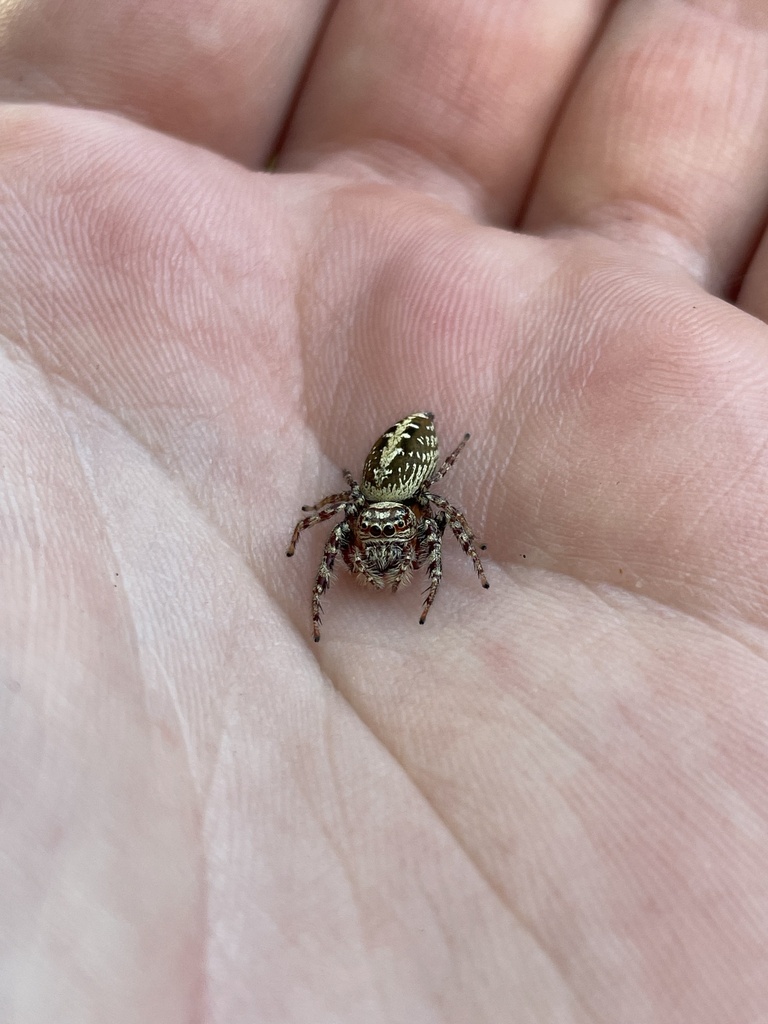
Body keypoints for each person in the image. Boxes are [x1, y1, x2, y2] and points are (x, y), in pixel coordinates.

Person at [2, 1, 767, 1019]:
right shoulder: (363, 507)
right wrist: (320, 583)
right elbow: (336, 529)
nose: (381, 549)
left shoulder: (408, 505)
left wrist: (458, 569)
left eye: (389, 542)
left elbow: (426, 531)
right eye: (379, 542)